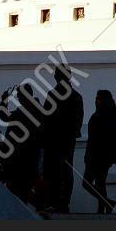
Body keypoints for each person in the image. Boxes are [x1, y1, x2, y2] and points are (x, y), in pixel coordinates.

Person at [41, 67, 85, 213]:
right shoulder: (76, 96)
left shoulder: (53, 95)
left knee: (55, 171)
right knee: (65, 171)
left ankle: (56, 201)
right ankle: (63, 202)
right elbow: (78, 120)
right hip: (67, 140)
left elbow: (45, 119)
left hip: (55, 140)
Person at [83, 89, 116, 214]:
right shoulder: (109, 116)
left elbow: (94, 139)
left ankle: (105, 203)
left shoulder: (100, 117)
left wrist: (88, 155)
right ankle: (103, 207)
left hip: (96, 156)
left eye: (98, 98)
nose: (96, 100)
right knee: (100, 184)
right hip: (105, 157)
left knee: (87, 183)